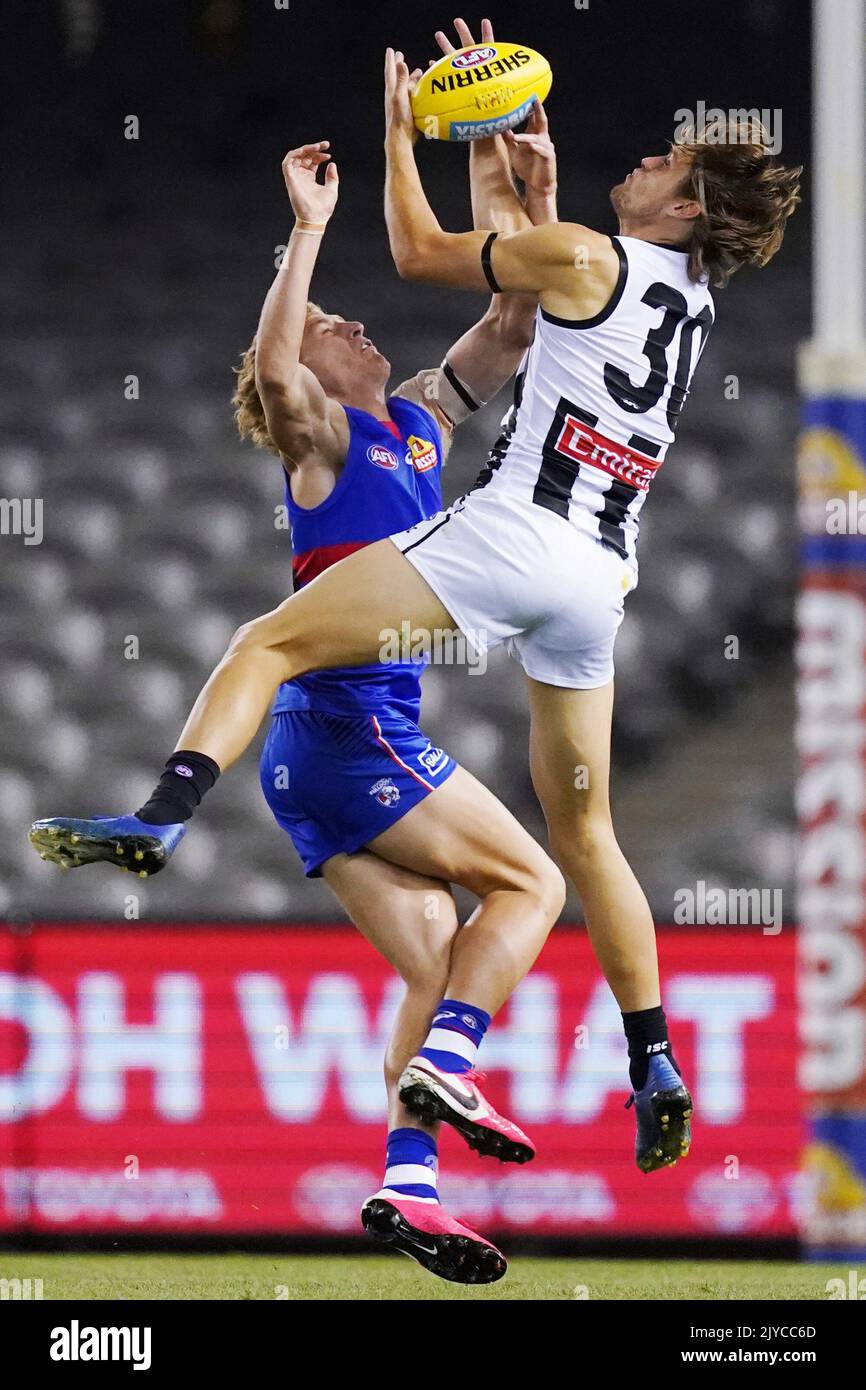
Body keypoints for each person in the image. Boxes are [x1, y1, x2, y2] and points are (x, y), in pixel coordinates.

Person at [30, 21, 802, 1182]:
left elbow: (422, 254)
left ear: (685, 208)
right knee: (583, 837)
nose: (641, 163)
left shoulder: (587, 255)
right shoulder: (688, 303)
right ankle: (653, 1058)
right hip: (599, 582)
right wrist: (497, 153)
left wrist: (404, 136)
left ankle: (163, 813)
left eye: (662, 166)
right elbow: (513, 292)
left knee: (265, 638)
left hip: (512, 539)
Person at [32, 21, 566, 1287]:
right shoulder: (324, 443)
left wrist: (501, 159)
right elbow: (274, 366)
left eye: (343, 315)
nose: (350, 325)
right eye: (336, 325)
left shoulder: (423, 424)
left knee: (440, 965)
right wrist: (308, 231)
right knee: (534, 890)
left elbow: (509, 311)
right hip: (351, 733)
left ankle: (408, 1186)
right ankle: (444, 1067)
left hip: (310, 757)